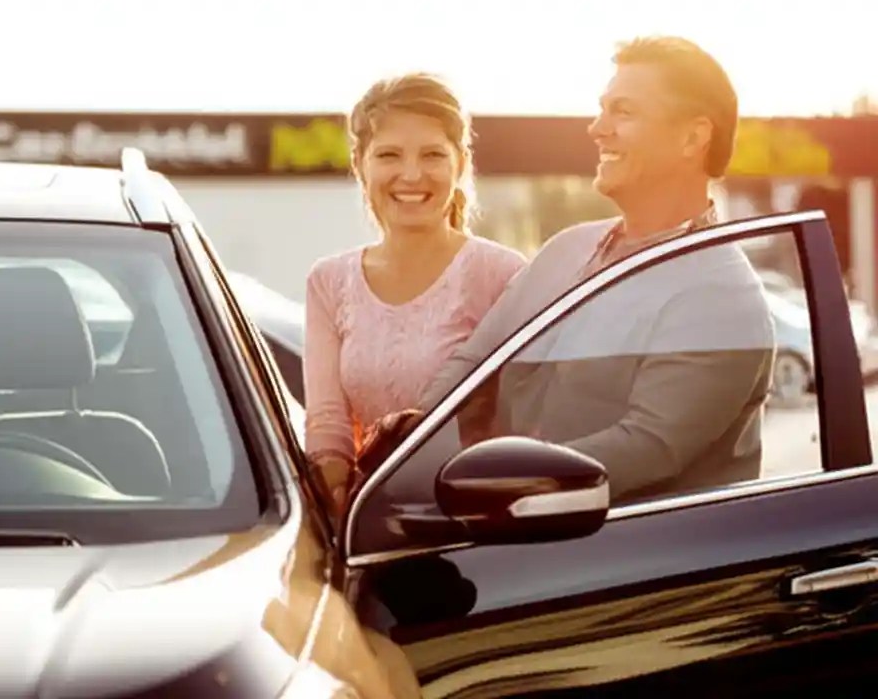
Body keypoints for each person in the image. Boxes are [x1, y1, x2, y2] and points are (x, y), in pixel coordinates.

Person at [410, 36, 775, 504]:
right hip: (508, 545)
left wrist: (487, 487)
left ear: (692, 137)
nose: (596, 129)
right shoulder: (565, 249)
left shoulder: (720, 293)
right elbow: (472, 364)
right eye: (602, 109)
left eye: (623, 111)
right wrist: (411, 443)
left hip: (627, 566)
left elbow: (647, 448)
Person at [302, 72, 527, 518]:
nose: (411, 174)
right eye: (389, 155)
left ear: (460, 164)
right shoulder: (328, 282)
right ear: (359, 163)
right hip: (370, 525)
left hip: (478, 524)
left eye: (432, 155)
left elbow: (525, 428)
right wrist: (338, 509)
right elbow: (328, 429)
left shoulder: (503, 275)